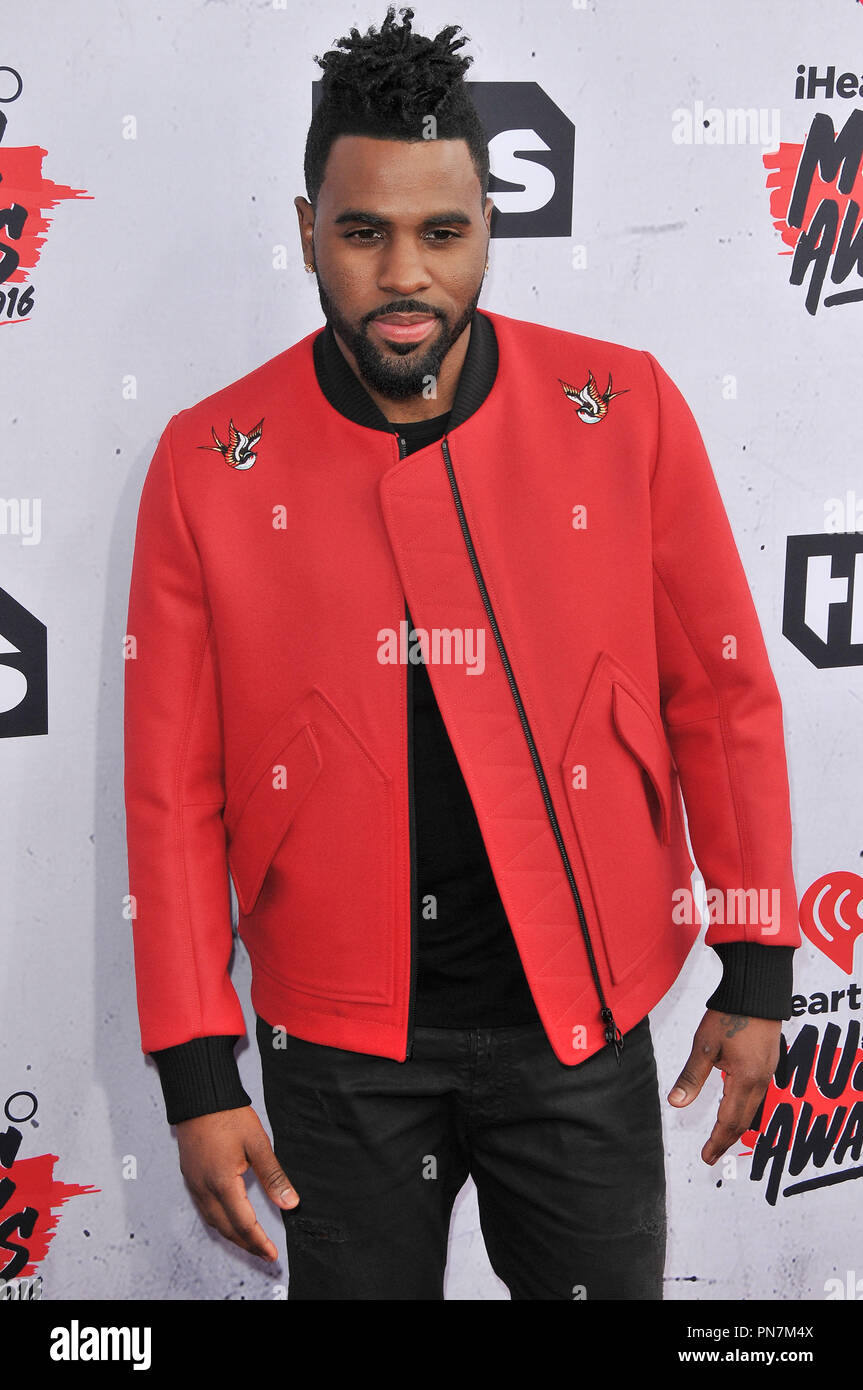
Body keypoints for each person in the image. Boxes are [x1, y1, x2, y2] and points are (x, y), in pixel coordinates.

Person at [123, 6, 800, 1300]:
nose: (405, 274)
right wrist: (199, 1068)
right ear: (308, 228)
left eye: (444, 231)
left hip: (581, 1020)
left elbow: (721, 690)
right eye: (363, 231)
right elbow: (170, 789)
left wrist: (759, 963)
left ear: (492, 225)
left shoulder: (624, 408)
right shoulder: (209, 463)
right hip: (335, 1051)